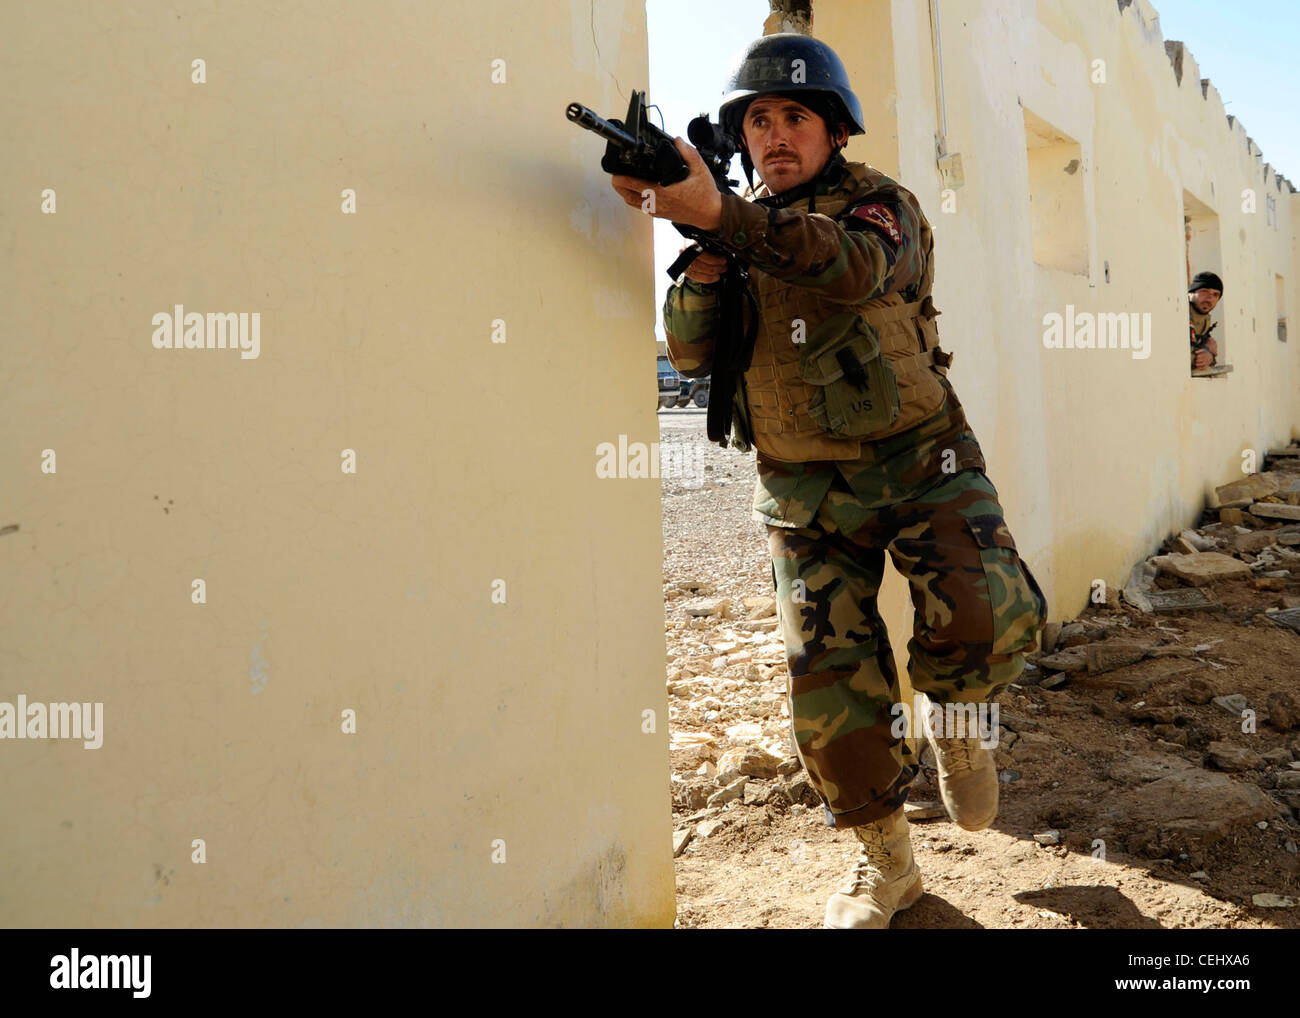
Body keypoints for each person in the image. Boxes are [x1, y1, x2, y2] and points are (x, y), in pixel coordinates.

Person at [611, 33, 1047, 929]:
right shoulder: (731, 229)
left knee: (981, 612)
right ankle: (887, 869)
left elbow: (849, 267)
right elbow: (691, 353)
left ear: (834, 130)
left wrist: (725, 217)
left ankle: (961, 724)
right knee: (831, 691)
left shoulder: (880, 205)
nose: (775, 135)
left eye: (794, 117)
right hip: (803, 489)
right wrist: (703, 248)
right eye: (758, 120)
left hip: (924, 458)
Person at [1189, 271, 1222, 371]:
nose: (1209, 299)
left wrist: (1209, 355)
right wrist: (1209, 354)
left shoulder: (1203, 319)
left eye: (1215, 294)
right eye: (1204, 291)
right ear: (1191, 293)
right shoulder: (1182, 313)